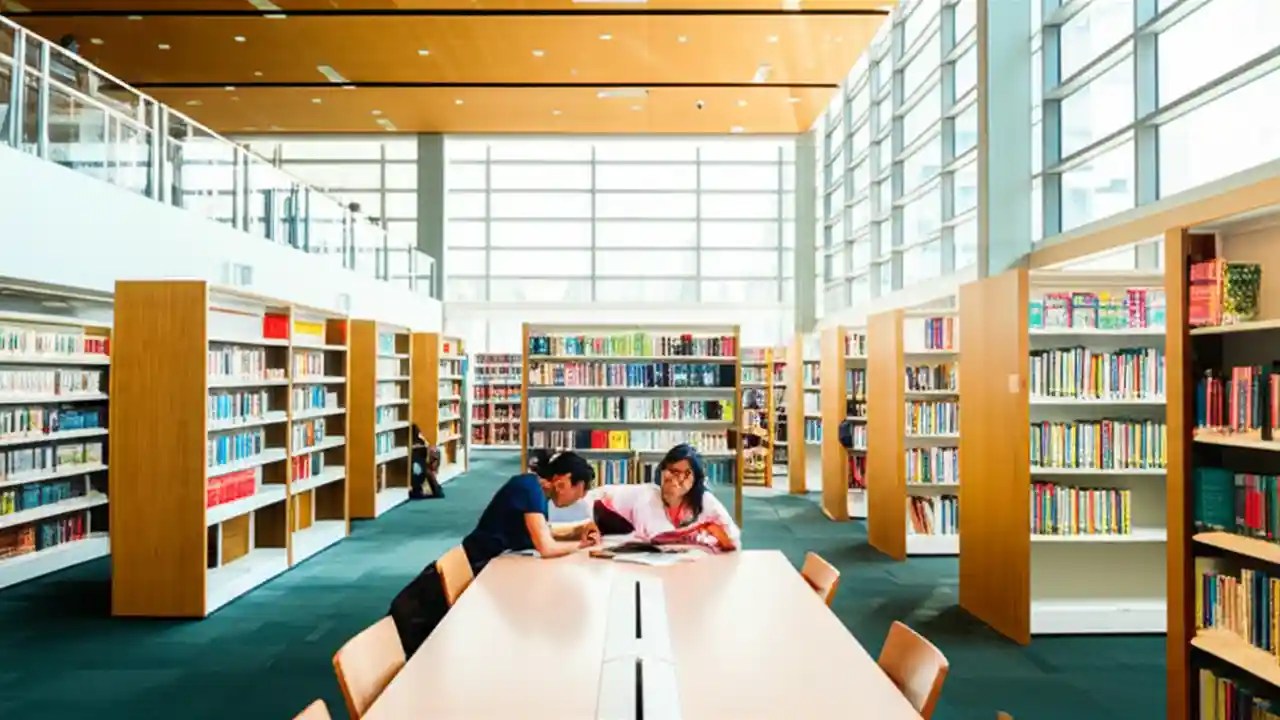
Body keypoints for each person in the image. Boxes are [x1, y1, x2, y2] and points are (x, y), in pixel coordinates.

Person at [387, 450, 600, 656]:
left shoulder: (533, 488)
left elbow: (544, 530)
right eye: (578, 493)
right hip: (471, 570)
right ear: (563, 481)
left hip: (480, 566)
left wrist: (578, 530)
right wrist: (581, 545)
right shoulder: (529, 490)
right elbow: (546, 547)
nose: (577, 500)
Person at [590, 443, 741, 552]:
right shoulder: (647, 495)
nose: (677, 478)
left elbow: (732, 541)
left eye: (686, 473)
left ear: (696, 478)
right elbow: (651, 536)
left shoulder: (706, 502)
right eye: (672, 471)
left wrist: (716, 533)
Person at [408, 423, 444, 500]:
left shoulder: (420, 440)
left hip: (419, 464)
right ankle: (434, 488)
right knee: (424, 468)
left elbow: (427, 448)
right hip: (414, 464)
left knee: (434, 454)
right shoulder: (412, 442)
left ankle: (432, 487)